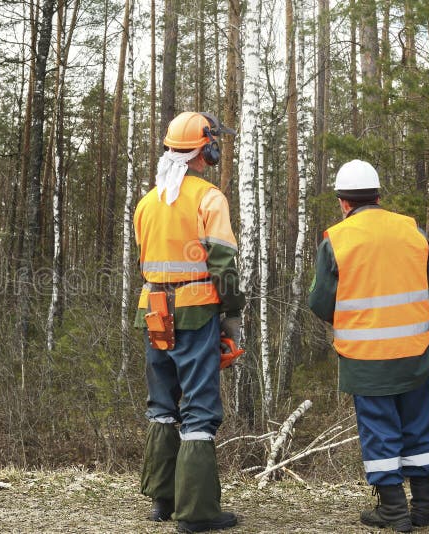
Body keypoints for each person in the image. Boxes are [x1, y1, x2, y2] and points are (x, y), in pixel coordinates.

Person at [308, 159, 429, 533]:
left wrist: (352, 318)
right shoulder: (412, 232)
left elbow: (319, 302)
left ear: (344, 202)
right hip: (414, 354)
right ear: (378, 196)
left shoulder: (337, 240)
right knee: (417, 427)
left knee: (380, 430)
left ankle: (393, 510)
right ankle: (424, 505)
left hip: (366, 359)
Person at [133, 111, 245, 533]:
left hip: (154, 308)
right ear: (207, 149)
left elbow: (148, 261)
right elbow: (223, 263)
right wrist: (232, 314)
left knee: (163, 403)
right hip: (196, 308)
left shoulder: (146, 202)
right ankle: (197, 512)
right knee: (199, 407)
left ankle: (163, 499)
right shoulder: (208, 198)